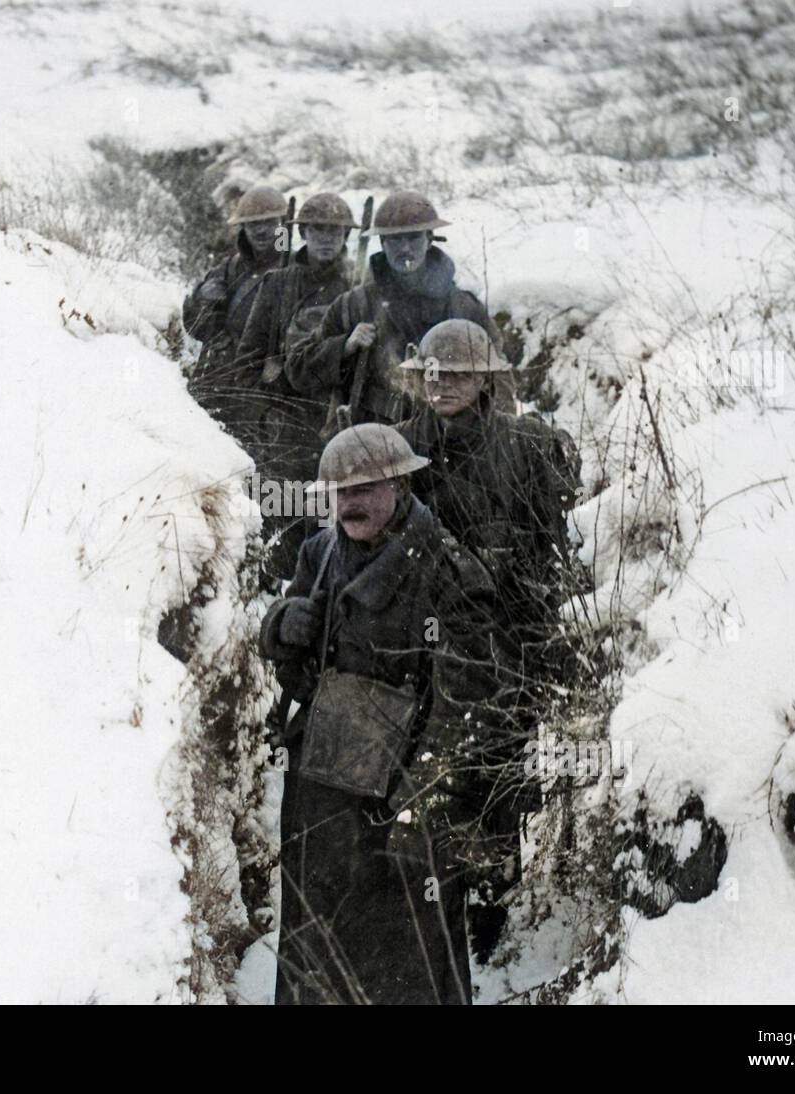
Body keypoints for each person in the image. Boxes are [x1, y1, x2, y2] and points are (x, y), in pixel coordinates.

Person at [260, 423, 506, 1004]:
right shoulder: (319, 554)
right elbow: (299, 677)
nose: (351, 502)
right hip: (324, 791)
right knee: (317, 953)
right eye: (340, 490)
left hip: (400, 798)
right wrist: (282, 628)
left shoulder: (449, 571)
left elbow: (467, 704)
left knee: (409, 963)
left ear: (399, 484)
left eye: (365, 487)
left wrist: (419, 806)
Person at [395, 318, 582, 960]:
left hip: (504, 639)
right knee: (421, 777)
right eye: (434, 373)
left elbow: (546, 550)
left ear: (487, 382)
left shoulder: (526, 448)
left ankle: (489, 906)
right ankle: (425, 904)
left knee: (498, 774)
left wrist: (536, 643)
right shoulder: (398, 449)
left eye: (461, 374)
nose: (444, 384)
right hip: (426, 645)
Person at [285, 190, 516, 428]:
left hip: (452, 440)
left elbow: (498, 376)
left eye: (413, 237)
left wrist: (501, 438)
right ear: (383, 243)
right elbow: (298, 370)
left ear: (429, 239)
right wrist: (344, 346)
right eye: (395, 239)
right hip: (376, 440)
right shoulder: (355, 305)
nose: (404, 248)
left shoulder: (463, 307)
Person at [234, 192, 359, 586]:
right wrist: (261, 416)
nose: (326, 239)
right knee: (279, 517)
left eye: (335, 231)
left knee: (329, 516)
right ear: (302, 231)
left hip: (334, 422)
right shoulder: (277, 284)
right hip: (283, 423)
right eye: (318, 230)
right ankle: (269, 597)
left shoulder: (357, 290)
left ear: (345, 237)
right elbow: (247, 362)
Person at [181, 184, 289, 439]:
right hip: (217, 384)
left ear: (282, 223)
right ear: (243, 228)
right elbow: (197, 328)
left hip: (264, 393)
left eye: (269, 222)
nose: (261, 230)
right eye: (252, 224)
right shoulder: (230, 268)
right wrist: (204, 299)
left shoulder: (296, 270)